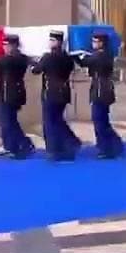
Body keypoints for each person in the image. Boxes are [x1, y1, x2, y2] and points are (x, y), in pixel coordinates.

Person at [71, 33, 123, 159]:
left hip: (101, 90)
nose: (93, 43)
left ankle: (106, 148)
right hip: (103, 88)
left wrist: (75, 55)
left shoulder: (100, 55)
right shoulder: (106, 54)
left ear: (101, 43)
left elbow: (85, 62)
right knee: (103, 120)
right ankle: (114, 144)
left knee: (99, 120)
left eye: (95, 41)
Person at [31, 30, 80, 161]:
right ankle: (71, 142)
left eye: (52, 40)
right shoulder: (68, 58)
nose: (50, 42)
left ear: (57, 42)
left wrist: (32, 62)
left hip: (51, 93)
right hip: (64, 92)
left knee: (50, 123)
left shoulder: (48, 57)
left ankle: (54, 149)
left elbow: (36, 70)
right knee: (58, 119)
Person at [0, 33, 35, 159]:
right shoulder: (8, 58)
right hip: (3, 93)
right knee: (6, 121)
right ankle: (10, 146)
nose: (5, 48)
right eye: (4, 45)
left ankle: (23, 144)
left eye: (8, 45)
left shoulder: (17, 58)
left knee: (9, 121)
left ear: (15, 46)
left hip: (12, 94)